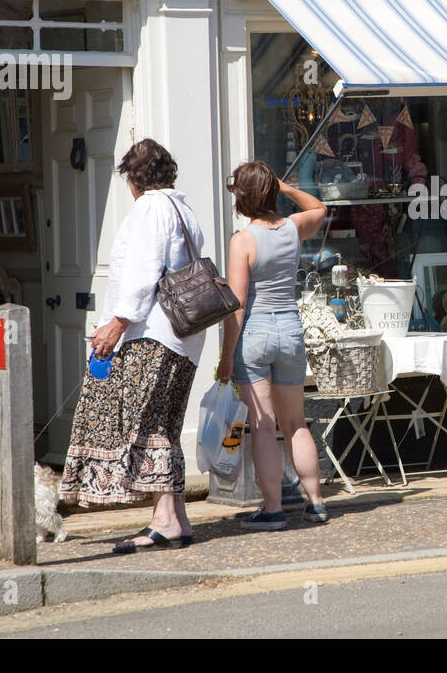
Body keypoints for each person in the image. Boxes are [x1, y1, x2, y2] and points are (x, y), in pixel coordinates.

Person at [59, 138, 207, 552]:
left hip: (154, 333)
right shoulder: (182, 208)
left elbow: (143, 273)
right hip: (184, 335)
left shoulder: (150, 209)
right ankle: (175, 518)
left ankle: (164, 520)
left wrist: (116, 324)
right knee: (164, 423)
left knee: (150, 425)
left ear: (133, 179)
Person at [217, 160, 328, 528]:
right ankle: (315, 503)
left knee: (263, 427)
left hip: (255, 332)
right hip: (290, 329)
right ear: (270, 192)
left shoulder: (243, 240)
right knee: (296, 423)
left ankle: (274, 509)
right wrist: (286, 187)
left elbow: (237, 304)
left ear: (243, 198)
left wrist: (226, 356)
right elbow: (319, 209)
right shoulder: (293, 229)